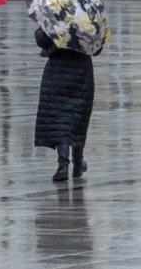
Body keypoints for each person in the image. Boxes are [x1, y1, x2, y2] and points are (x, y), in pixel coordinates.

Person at [33, 27, 95, 182]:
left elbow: (41, 40)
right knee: (77, 119)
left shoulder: (55, 18)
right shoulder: (88, 21)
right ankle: (78, 164)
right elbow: (96, 48)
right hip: (81, 73)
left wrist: (45, 29)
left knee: (61, 119)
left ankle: (63, 166)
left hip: (57, 73)